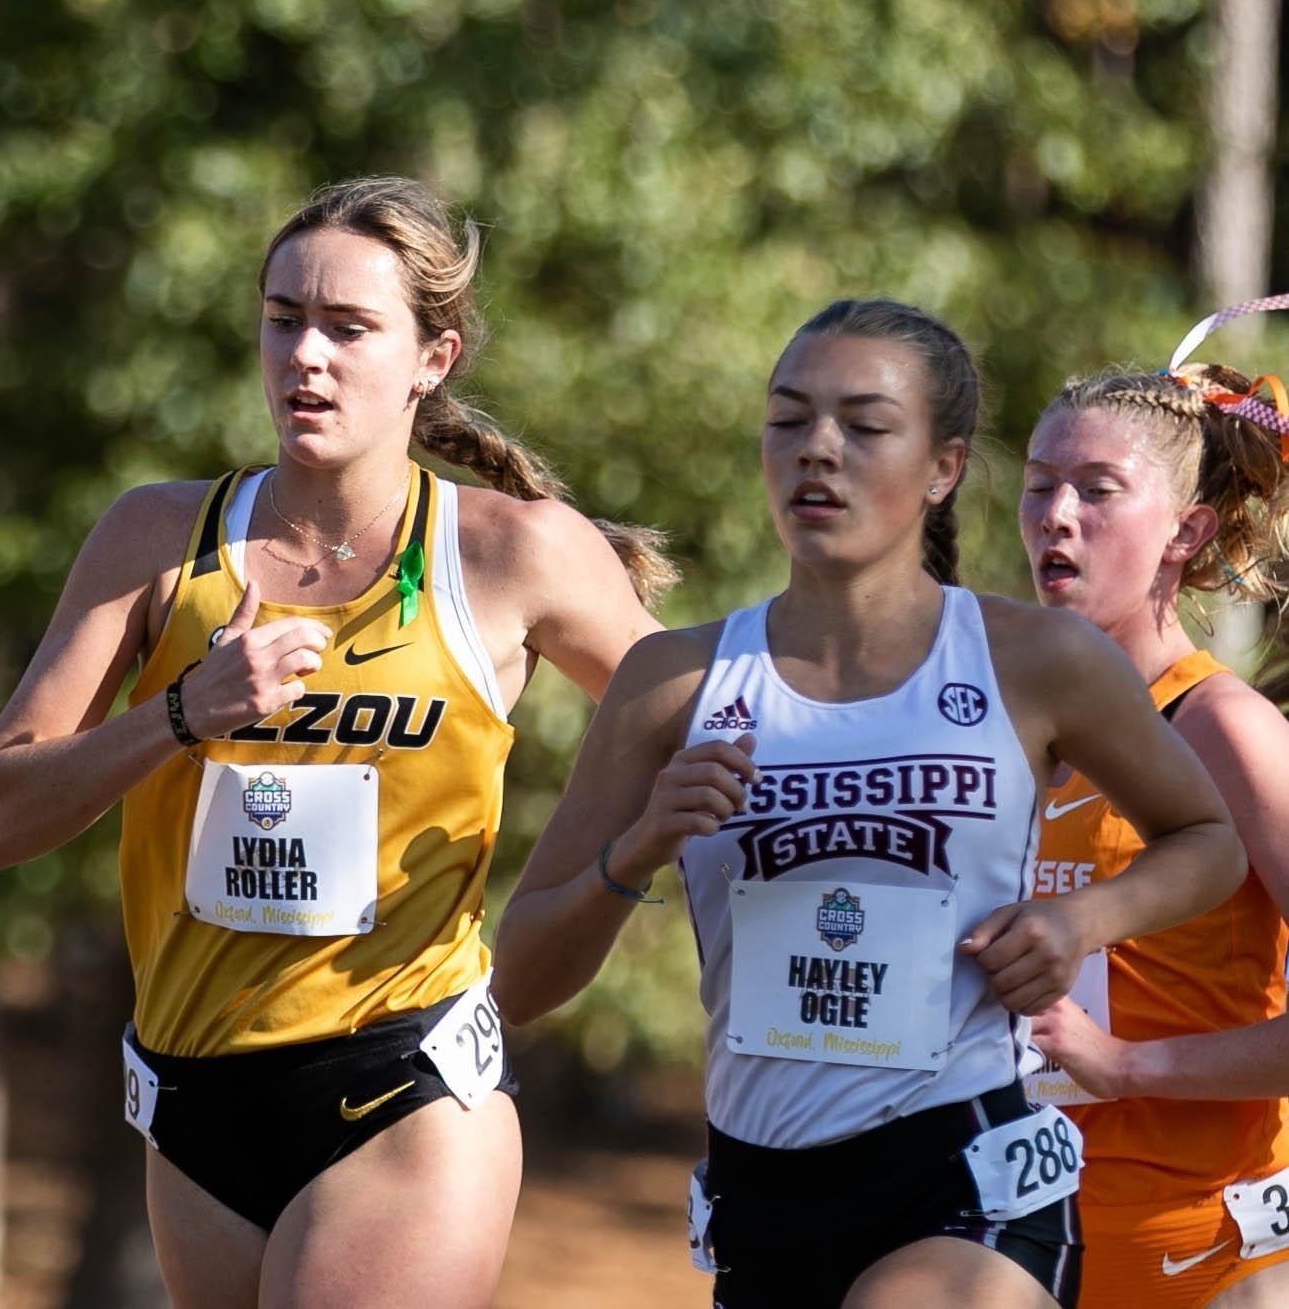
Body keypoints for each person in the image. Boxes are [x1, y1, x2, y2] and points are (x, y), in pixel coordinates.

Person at [0, 175, 668, 1308]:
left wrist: (598, 864)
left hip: (404, 1086)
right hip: (192, 1101)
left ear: (432, 359)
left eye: (348, 327)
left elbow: (699, 723)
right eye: (283, 318)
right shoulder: (156, 538)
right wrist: (181, 711)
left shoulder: (511, 553)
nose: (306, 356)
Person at [492, 298, 1248, 1308]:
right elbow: (518, 982)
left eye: (864, 425)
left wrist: (1080, 920)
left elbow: (1207, 841)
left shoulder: (1036, 659)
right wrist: (634, 852)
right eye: (788, 419)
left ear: (942, 467)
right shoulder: (673, 681)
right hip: (759, 1193)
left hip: (968, 1175)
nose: (818, 449)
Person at [1017, 296, 1289, 1308]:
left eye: (1097, 490)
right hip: (1019, 1240)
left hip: (1205, 1261)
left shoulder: (1224, 731)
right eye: (1039, 485)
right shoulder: (1008, 722)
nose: (1056, 514)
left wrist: (1127, 1066)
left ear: (1186, 530)